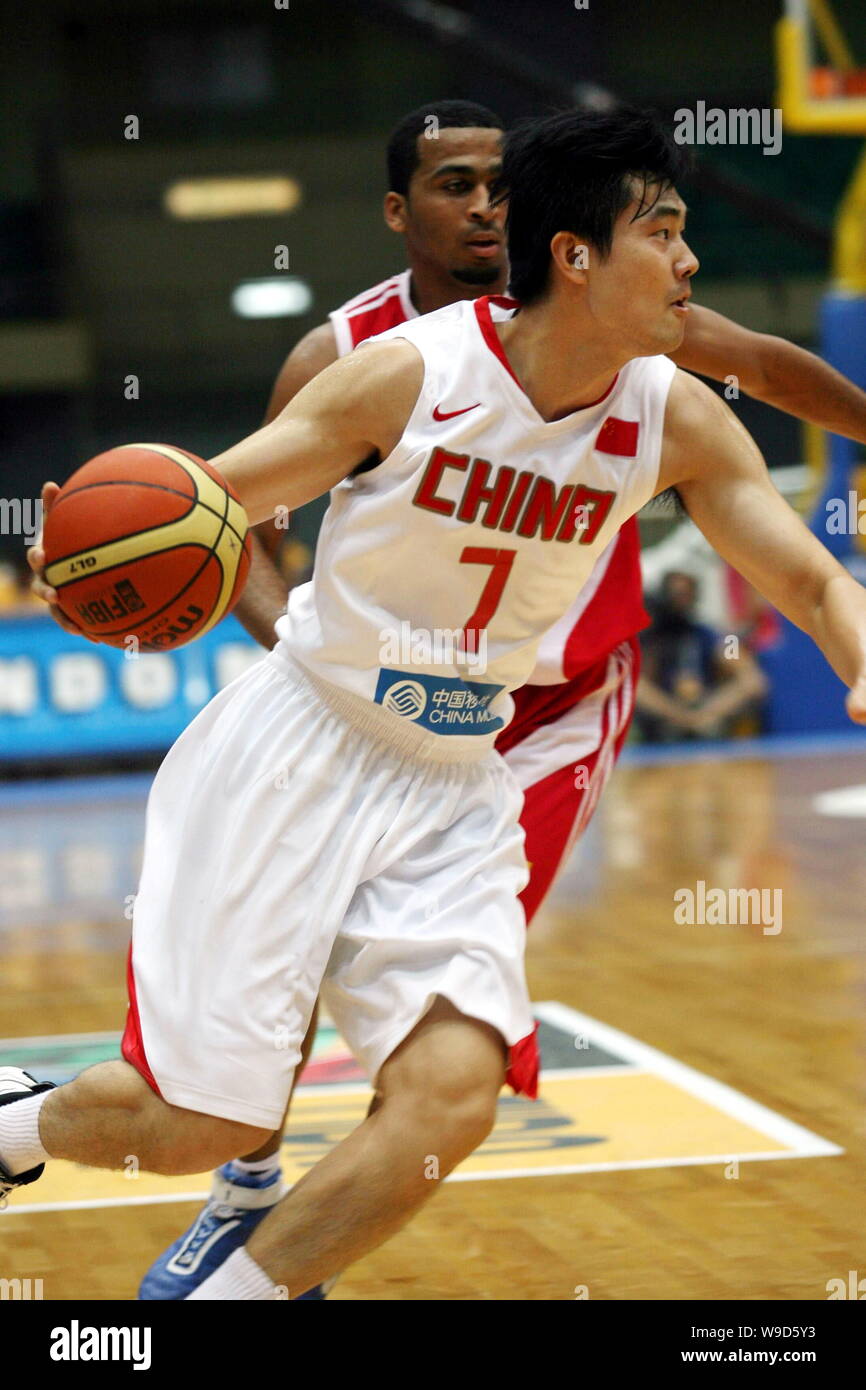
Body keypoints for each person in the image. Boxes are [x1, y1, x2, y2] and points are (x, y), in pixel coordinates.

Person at [8, 107, 866, 1305]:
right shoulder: (404, 374)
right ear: (574, 255)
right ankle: (21, 1128)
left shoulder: (670, 411)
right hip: (305, 748)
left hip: (457, 785)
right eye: (663, 233)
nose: (688, 262)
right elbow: (213, 500)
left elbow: (813, 575)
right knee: (195, 1123)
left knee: (452, 1097)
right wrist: (89, 556)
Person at [634, 571, 767, 741]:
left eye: (686, 594)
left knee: (751, 682)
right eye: (675, 594)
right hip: (665, 721)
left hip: (706, 716)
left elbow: (749, 677)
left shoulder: (707, 634)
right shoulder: (652, 638)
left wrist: (706, 713)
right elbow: (639, 686)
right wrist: (678, 714)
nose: (681, 601)